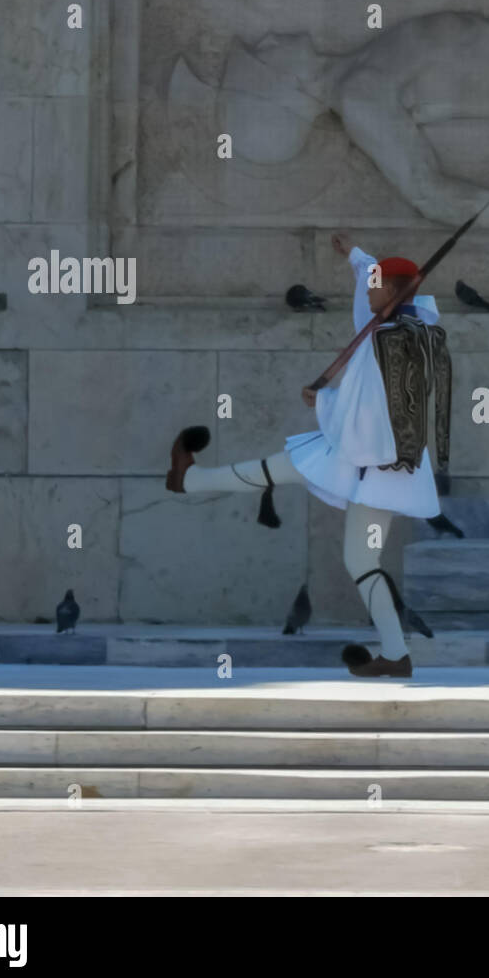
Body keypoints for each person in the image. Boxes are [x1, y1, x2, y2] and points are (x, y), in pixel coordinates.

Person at [164, 232, 452, 678]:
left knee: (281, 468)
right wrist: (358, 258)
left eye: (378, 286)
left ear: (394, 293)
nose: (370, 291)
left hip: (365, 455)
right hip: (386, 466)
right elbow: (377, 301)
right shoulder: (411, 328)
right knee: (360, 559)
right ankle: (396, 654)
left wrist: (318, 400)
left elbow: (369, 406)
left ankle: (190, 480)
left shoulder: (391, 343)